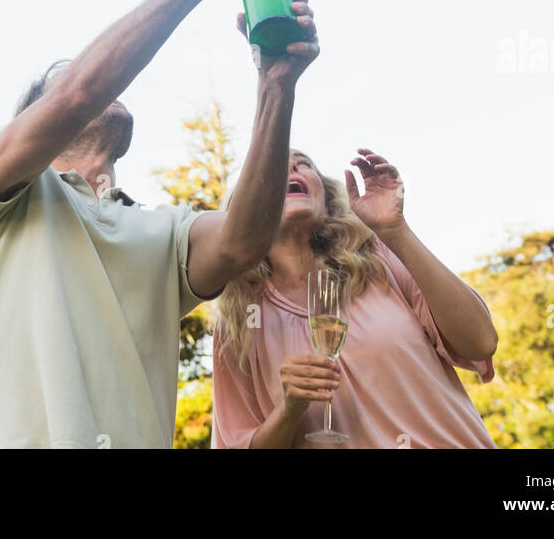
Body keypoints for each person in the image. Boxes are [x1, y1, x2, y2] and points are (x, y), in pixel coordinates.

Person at [0, 0, 319, 449]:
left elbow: (244, 242)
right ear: (33, 117)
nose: (106, 86)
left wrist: (276, 82)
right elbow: (79, 94)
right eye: (67, 76)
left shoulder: (162, 231)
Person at [212, 147, 498, 449]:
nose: (291, 170)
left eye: (303, 164)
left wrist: (396, 230)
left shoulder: (379, 261)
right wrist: (288, 410)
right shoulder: (239, 324)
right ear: (246, 208)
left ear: (329, 200)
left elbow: (481, 342)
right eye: (274, 167)